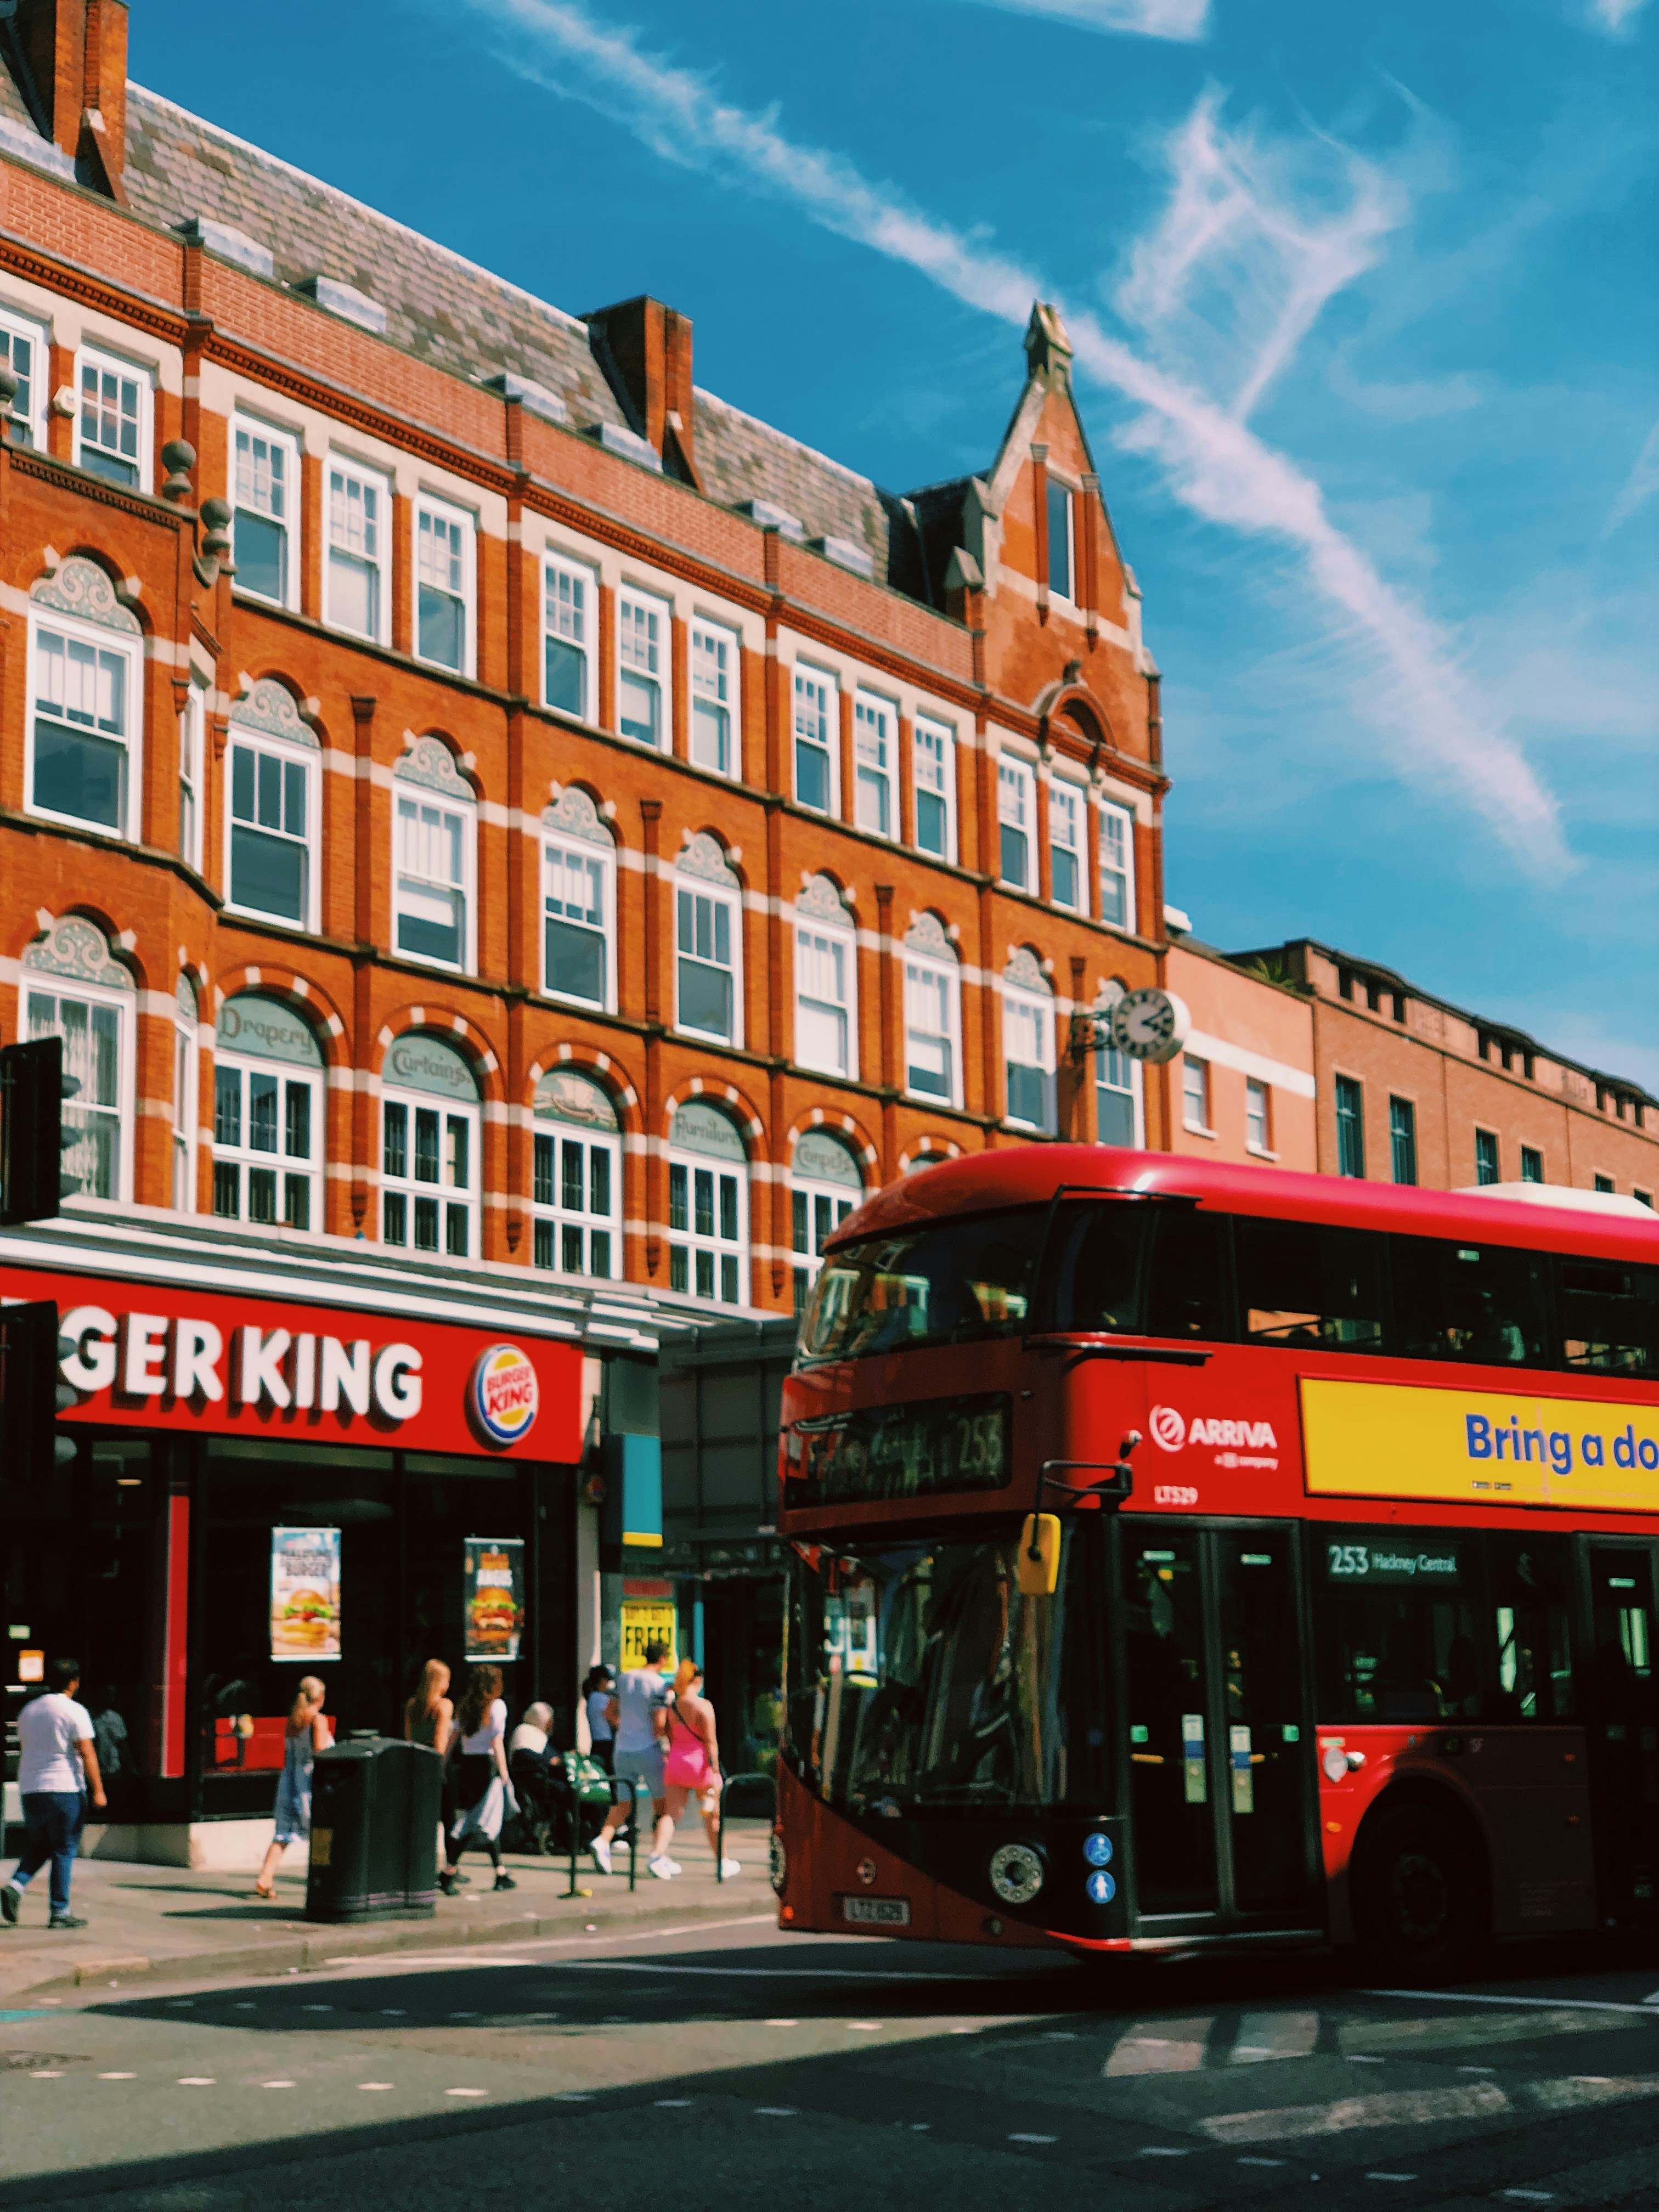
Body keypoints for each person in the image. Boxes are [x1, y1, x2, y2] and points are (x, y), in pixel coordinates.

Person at [1, 1657, 105, 1931]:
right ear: (74, 1682)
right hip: (65, 1788)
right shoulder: (74, 1711)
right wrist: (99, 1791)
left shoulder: (29, 1711)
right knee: (64, 1849)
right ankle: (60, 1911)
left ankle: (15, 1885)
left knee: (40, 1844)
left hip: (32, 1789)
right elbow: (87, 1752)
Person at [590, 1638, 675, 1880]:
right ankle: (659, 1856)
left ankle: (603, 1841)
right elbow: (659, 1724)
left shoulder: (625, 1678)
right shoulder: (660, 1684)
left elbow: (609, 1712)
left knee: (623, 1804)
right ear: (663, 1659)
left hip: (622, 1749)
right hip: (648, 1749)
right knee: (662, 1806)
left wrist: (623, 1727)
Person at [661, 1660, 741, 1881]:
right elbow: (711, 1742)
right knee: (711, 1816)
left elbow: (669, 1734)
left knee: (670, 1815)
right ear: (697, 1680)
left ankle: (657, 1856)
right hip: (700, 1767)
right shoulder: (703, 1706)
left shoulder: (673, 1708)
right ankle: (722, 1861)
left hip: (677, 1764)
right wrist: (715, 1771)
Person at [441, 1664, 516, 1894]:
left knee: (485, 1821)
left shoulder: (465, 1708)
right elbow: (497, 1742)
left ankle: (500, 1872)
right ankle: (449, 1871)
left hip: (467, 1767)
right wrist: (504, 1774)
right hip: (487, 1767)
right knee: (479, 1821)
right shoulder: (497, 1707)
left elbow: (453, 1738)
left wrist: (443, 1764)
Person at [253, 1676, 330, 1899]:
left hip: (289, 1783)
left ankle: (265, 1877)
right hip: (309, 1784)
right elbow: (321, 1753)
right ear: (321, 1698)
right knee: (322, 1832)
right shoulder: (318, 1720)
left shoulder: (293, 1722)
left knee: (283, 1834)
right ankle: (324, 1880)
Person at [404, 1658, 454, 1757]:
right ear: (440, 1681)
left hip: (414, 1759)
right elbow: (440, 1740)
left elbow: (408, 1737)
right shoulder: (444, 1705)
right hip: (433, 1762)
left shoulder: (412, 1704)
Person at [583, 1664, 616, 1774]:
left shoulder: (591, 1698)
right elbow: (613, 1719)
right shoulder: (602, 1699)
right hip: (606, 1744)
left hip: (596, 1744)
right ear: (602, 1681)